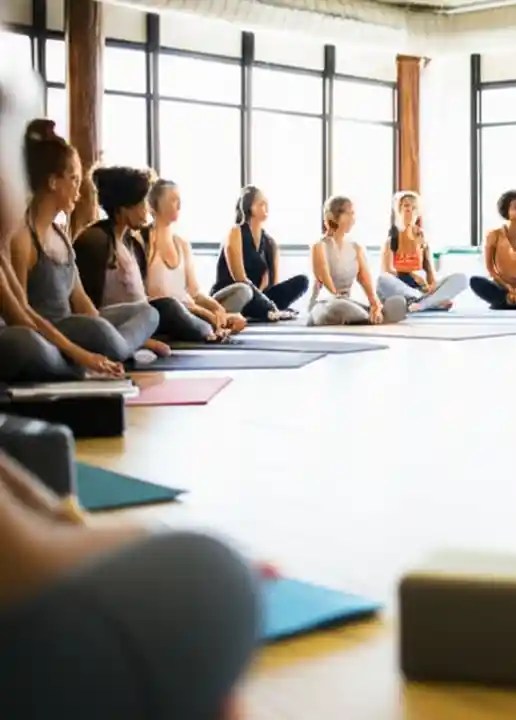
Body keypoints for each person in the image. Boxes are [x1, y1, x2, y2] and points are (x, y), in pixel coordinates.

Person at [0, 56, 258, 720]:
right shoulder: (52, 236)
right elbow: (28, 316)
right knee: (215, 572)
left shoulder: (76, 235)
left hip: (89, 334)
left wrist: (66, 518)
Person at [9, 122, 160, 363]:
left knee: (148, 313)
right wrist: (82, 351)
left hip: (77, 329)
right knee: (74, 335)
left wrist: (106, 333)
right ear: (53, 182)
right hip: (48, 333)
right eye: (74, 180)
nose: (79, 192)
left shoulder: (60, 235)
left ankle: (117, 347)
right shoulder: (23, 238)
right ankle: (117, 350)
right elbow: (19, 313)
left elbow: (81, 300)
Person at [73, 166, 210, 351]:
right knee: (160, 310)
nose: (147, 210)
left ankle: (209, 329)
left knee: (164, 306)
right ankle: (133, 343)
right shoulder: (95, 241)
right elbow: (86, 309)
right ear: (124, 207)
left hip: (141, 319)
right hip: (112, 324)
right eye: (142, 203)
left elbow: (141, 297)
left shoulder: (131, 243)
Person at [143, 179, 252, 341]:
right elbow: (150, 298)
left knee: (243, 292)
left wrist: (218, 309)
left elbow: (194, 293)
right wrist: (206, 313)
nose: (179, 206)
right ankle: (211, 329)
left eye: (179, 200)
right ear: (154, 204)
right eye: (173, 200)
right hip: (164, 311)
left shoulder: (181, 243)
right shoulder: (144, 241)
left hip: (189, 309)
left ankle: (218, 324)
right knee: (173, 308)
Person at [211, 186, 309, 322]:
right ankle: (268, 311)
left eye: (267, 204)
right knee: (245, 290)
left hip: (257, 297)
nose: (266, 208)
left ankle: (265, 311)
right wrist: (269, 305)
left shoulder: (269, 243)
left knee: (302, 281)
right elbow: (239, 278)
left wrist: (268, 301)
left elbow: (272, 285)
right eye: (261, 204)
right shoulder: (236, 232)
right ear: (250, 207)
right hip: (234, 294)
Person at [307, 196, 406, 326]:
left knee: (396, 303)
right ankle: (369, 318)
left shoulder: (355, 247)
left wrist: (375, 305)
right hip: (325, 304)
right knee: (339, 306)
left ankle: (371, 315)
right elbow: (325, 281)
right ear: (336, 215)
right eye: (350, 213)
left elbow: (365, 279)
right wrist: (338, 298)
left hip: (348, 303)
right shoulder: (319, 246)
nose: (353, 218)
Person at [375, 190, 467, 312]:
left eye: (414, 207)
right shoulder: (392, 240)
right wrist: (412, 275)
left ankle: (423, 303)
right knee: (383, 280)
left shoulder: (422, 240)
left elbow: (429, 270)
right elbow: (388, 270)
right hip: (402, 287)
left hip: (422, 289)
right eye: (406, 206)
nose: (409, 210)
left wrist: (430, 286)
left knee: (461, 278)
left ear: (418, 213)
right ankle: (429, 302)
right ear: (399, 209)